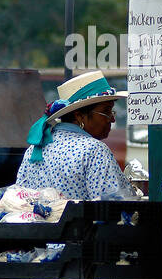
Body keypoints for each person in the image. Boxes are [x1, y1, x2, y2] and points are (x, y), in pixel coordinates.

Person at [16, 70, 138, 200]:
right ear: (79, 116)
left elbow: (19, 199)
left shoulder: (34, 150)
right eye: (106, 111)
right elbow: (111, 206)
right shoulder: (94, 150)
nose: (112, 119)